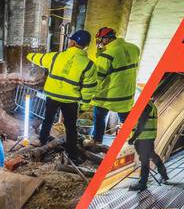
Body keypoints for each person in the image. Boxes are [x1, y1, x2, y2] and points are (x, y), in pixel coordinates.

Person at [27, 29, 97, 163]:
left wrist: (29, 54)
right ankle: (72, 153)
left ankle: (42, 141)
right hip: (70, 100)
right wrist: (85, 102)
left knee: (48, 120)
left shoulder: (55, 57)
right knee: (70, 127)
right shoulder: (89, 65)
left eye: (70, 40)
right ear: (85, 46)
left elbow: (37, 58)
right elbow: (89, 87)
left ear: (72, 43)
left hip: (52, 96)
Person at [87, 26, 141, 145]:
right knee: (127, 122)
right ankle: (134, 142)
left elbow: (98, 78)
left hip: (108, 96)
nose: (99, 43)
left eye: (100, 40)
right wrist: (101, 54)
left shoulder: (107, 55)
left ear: (105, 40)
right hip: (127, 94)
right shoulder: (134, 48)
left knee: (99, 117)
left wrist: (87, 91)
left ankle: (97, 141)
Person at [127, 99, 172, 192]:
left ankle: (142, 183)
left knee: (144, 161)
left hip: (143, 138)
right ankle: (164, 175)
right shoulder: (151, 105)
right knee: (153, 156)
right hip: (148, 137)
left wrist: (133, 138)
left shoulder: (145, 105)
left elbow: (141, 123)